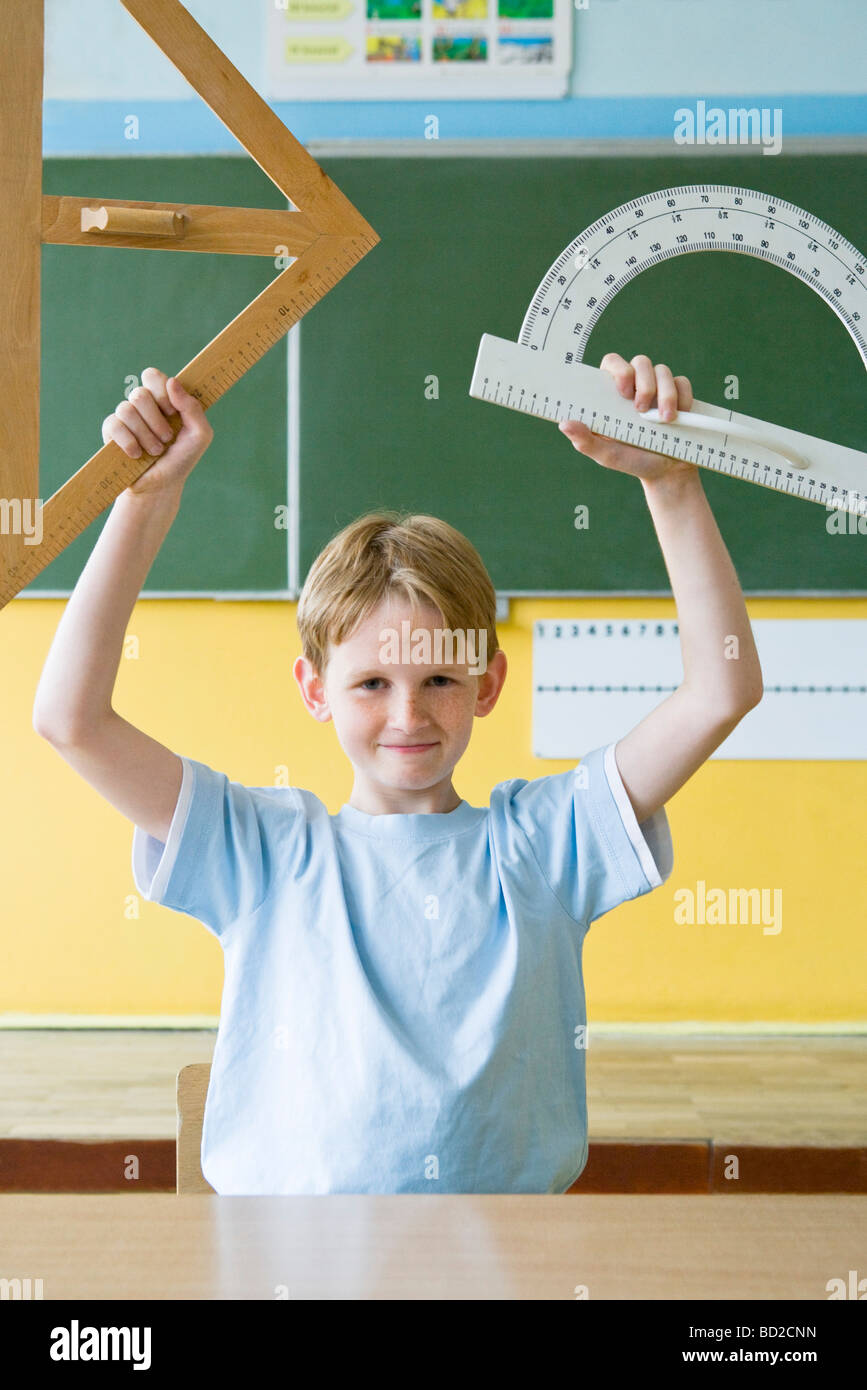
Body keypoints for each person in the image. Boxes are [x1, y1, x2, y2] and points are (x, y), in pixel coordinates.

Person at [32, 355, 762, 1193]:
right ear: (315, 690)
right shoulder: (263, 850)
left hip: (503, 1271)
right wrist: (145, 499)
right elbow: (69, 720)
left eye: (440, 681)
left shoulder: (544, 843)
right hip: (292, 1272)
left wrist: (671, 485)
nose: (409, 716)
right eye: (372, 683)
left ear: (486, 685)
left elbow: (721, 688)